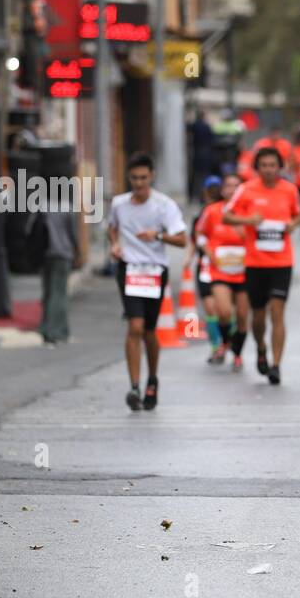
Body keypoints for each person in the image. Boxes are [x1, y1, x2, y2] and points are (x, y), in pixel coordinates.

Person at [107, 152, 188, 411]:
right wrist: (115, 244)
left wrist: (158, 235)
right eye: (134, 178)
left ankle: (152, 378)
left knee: (150, 331)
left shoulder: (164, 205)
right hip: (129, 268)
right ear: (128, 178)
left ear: (151, 176)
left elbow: (182, 239)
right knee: (135, 326)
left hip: (154, 270)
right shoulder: (119, 203)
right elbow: (113, 226)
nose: (139, 183)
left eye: (143, 178)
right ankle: (133, 386)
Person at [222, 146, 300, 385]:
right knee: (258, 317)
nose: (269, 169)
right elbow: (227, 215)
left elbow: (298, 215)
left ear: (280, 167)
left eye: (273, 165)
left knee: (277, 311)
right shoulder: (246, 190)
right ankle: (261, 347)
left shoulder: (289, 190)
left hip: (282, 261)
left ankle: (276, 365)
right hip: (255, 263)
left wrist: (292, 225)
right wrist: (248, 220)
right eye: (264, 165)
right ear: (258, 168)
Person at [196, 173, 249, 370]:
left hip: (244, 271)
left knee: (243, 317)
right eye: (228, 186)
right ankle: (226, 343)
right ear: (223, 189)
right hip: (220, 271)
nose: (232, 190)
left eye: (236, 186)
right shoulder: (211, 211)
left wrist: (241, 226)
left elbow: (254, 237)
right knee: (225, 312)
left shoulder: (246, 212)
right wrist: (209, 252)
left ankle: (236, 353)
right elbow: (200, 235)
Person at [39, 192, 87, 345]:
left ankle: (46, 328)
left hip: (45, 253)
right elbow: (73, 234)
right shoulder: (68, 208)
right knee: (59, 294)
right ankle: (57, 332)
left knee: (48, 292)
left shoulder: (42, 206)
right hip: (62, 253)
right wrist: (78, 252)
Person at [190, 175, 225, 360]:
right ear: (204, 191)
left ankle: (229, 345)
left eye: (216, 188)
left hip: (226, 267)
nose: (213, 192)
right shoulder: (200, 216)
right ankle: (215, 346)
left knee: (225, 310)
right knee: (210, 309)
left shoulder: (227, 212)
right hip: (205, 266)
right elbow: (194, 240)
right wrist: (187, 261)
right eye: (210, 188)